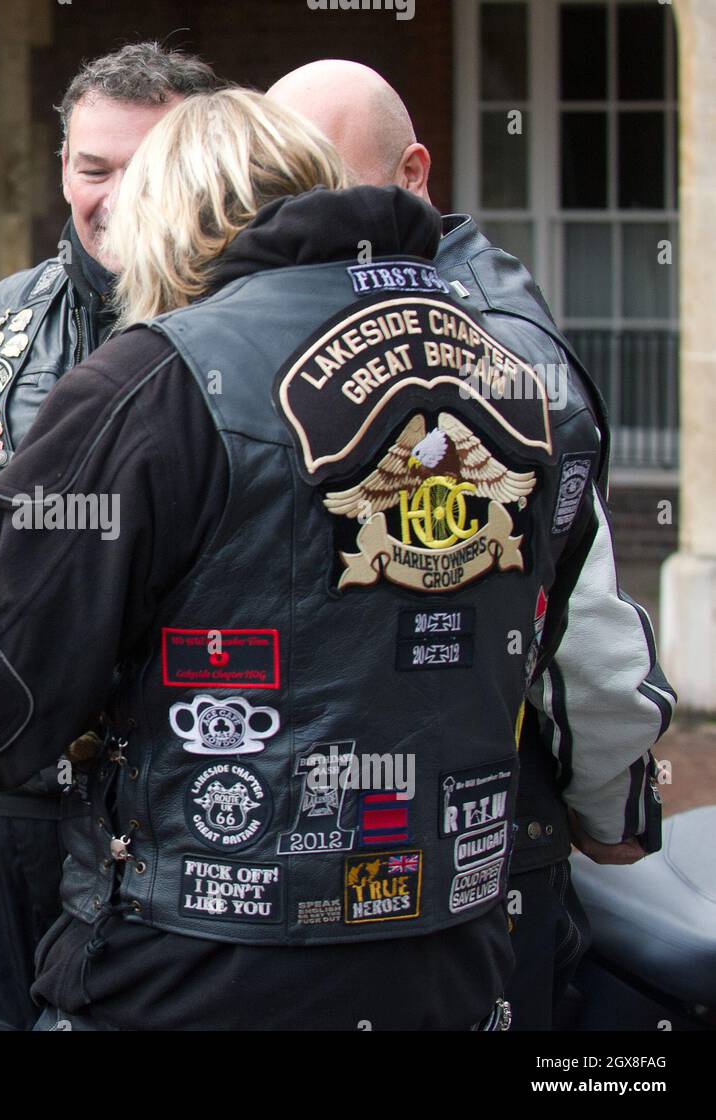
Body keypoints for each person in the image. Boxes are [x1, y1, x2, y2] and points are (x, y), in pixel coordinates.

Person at [0, 87, 624, 1030]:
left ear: (169, 227)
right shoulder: (510, 370)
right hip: (450, 953)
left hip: (201, 961)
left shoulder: (157, 379)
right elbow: (563, 631)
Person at [267, 59, 675, 1029]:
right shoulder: (290, 322)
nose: (297, 221)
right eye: (275, 190)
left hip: (485, 854)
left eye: (325, 186)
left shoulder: (502, 360)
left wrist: (616, 812)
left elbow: (579, 635)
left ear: (413, 172)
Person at [0, 41, 221, 1031]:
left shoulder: (240, 331)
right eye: (90, 167)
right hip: (9, 808)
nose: (110, 197)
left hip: (176, 812)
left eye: (142, 169)